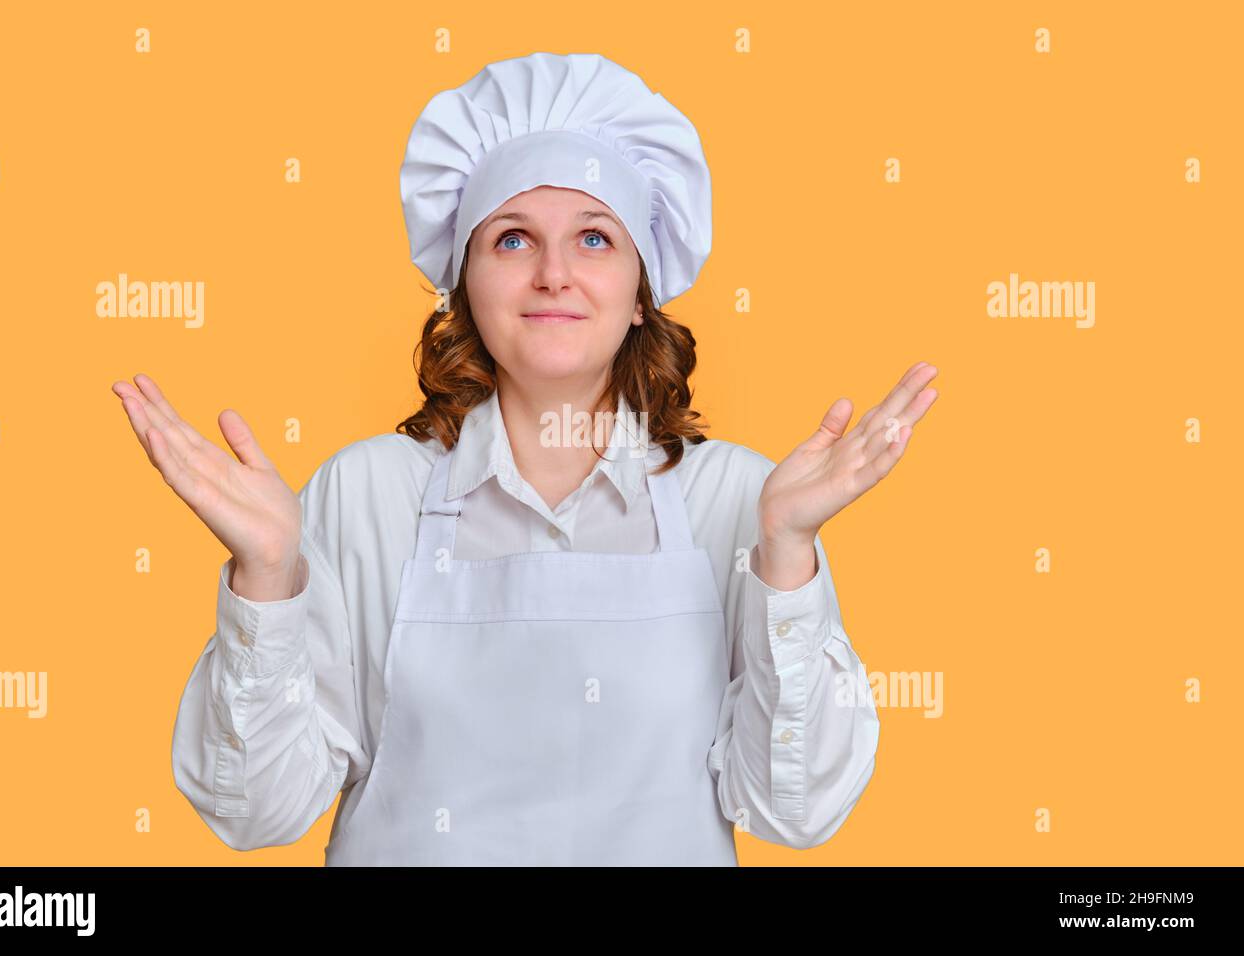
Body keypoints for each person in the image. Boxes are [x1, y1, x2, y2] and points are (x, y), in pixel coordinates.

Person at [113, 52, 937, 866]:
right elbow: (257, 813)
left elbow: (799, 813)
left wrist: (788, 556)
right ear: (463, 280)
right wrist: (265, 579)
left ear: (642, 286)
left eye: (593, 237)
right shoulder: (367, 493)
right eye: (512, 240)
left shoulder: (737, 500)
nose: (553, 275)